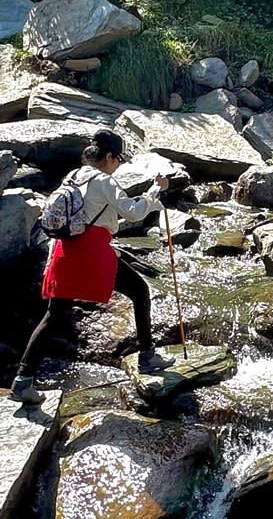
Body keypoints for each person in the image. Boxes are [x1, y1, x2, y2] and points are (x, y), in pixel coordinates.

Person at [12, 129, 172, 403]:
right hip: (91, 252)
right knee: (139, 291)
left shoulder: (74, 175)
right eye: (119, 159)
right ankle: (148, 356)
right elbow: (132, 212)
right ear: (109, 156)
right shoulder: (104, 181)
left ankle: (22, 380)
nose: (119, 164)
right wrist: (156, 190)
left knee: (54, 315)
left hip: (65, 249)